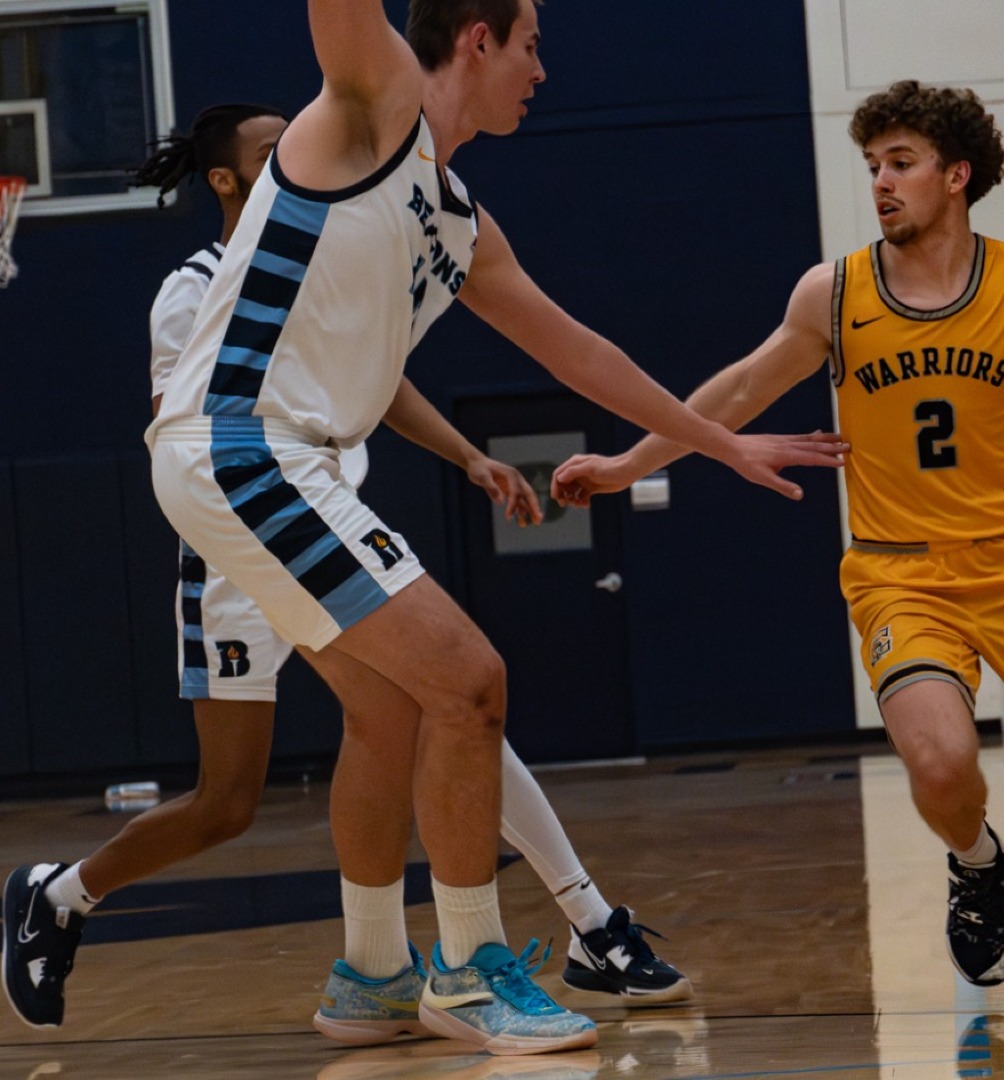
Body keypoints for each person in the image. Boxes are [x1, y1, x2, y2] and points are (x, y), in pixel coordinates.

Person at [131, 0, 839, 1054]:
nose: (541, 71)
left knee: (396, 709)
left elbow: (580, 354)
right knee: (470, 682)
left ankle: (370, 975)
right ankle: (468, 970)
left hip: (271, 462)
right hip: (244, 443)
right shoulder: (370, 107)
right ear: (476, 37)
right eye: (532, 43)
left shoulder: (457, 216)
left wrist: (717, 441)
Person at [551, 80, 1004, 985]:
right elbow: (741, 388)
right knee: (940, 764)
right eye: (871, 166)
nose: (881, 183)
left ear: (956, 175)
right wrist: (628, 466)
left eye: (900, 163)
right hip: (901, 574)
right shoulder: (833, 293)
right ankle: (977, 866)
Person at [2, 100, 694, 1039]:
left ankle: (534, 932)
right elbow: (189, 406)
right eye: (268, 146)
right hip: (235, 540)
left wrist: (467, 455)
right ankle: (61, 891)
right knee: (230, 801)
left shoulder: (320, 251)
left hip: (311, 509)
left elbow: (389, 380)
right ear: (228, 179)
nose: (293, 148)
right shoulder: (196, 284)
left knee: (429, 702)